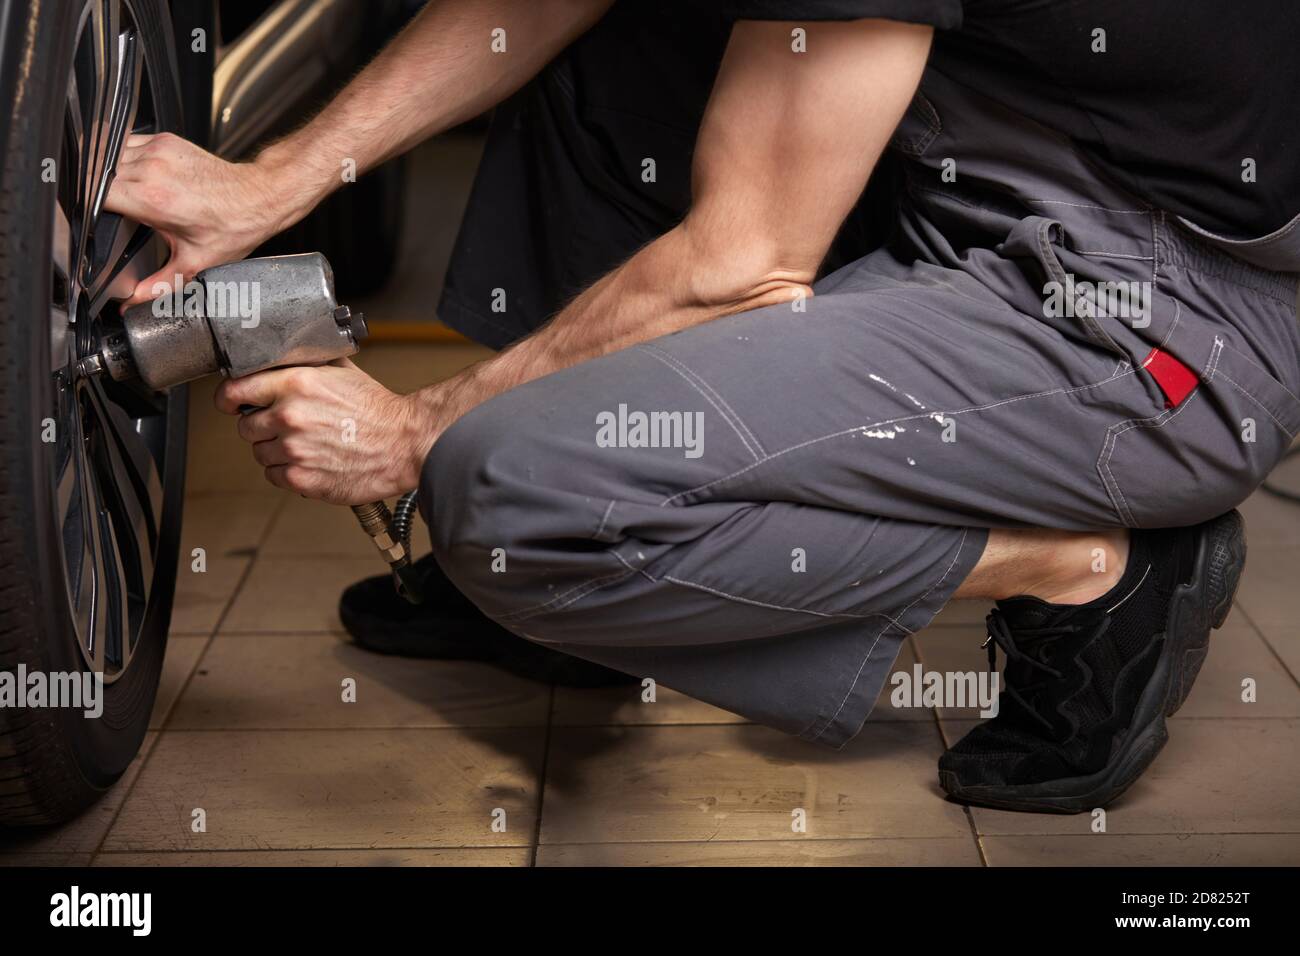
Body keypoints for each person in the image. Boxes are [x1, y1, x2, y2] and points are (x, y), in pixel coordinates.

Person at [106, 0, 1300, 813]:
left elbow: (743, 260)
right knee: (627, 38)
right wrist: (275, 181)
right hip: (988, 162)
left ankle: (1081, 569)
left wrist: (414, 436)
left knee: (508, 497)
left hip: (1152, 313)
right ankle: (550, 548)